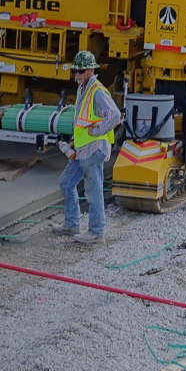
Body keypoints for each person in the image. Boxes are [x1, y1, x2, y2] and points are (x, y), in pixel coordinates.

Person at [53, 50, 121, 244]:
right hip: (82, 148)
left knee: (93, 189)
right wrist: (73, 143)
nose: (77, 74)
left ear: (91, 70)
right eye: (76, 70)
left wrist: (97, 130)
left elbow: (115, 115)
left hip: (93, 148)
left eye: (81, 70)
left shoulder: (97, 90)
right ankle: (72, 224)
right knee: (66, 183)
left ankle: (96, 232)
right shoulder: (84, 88)